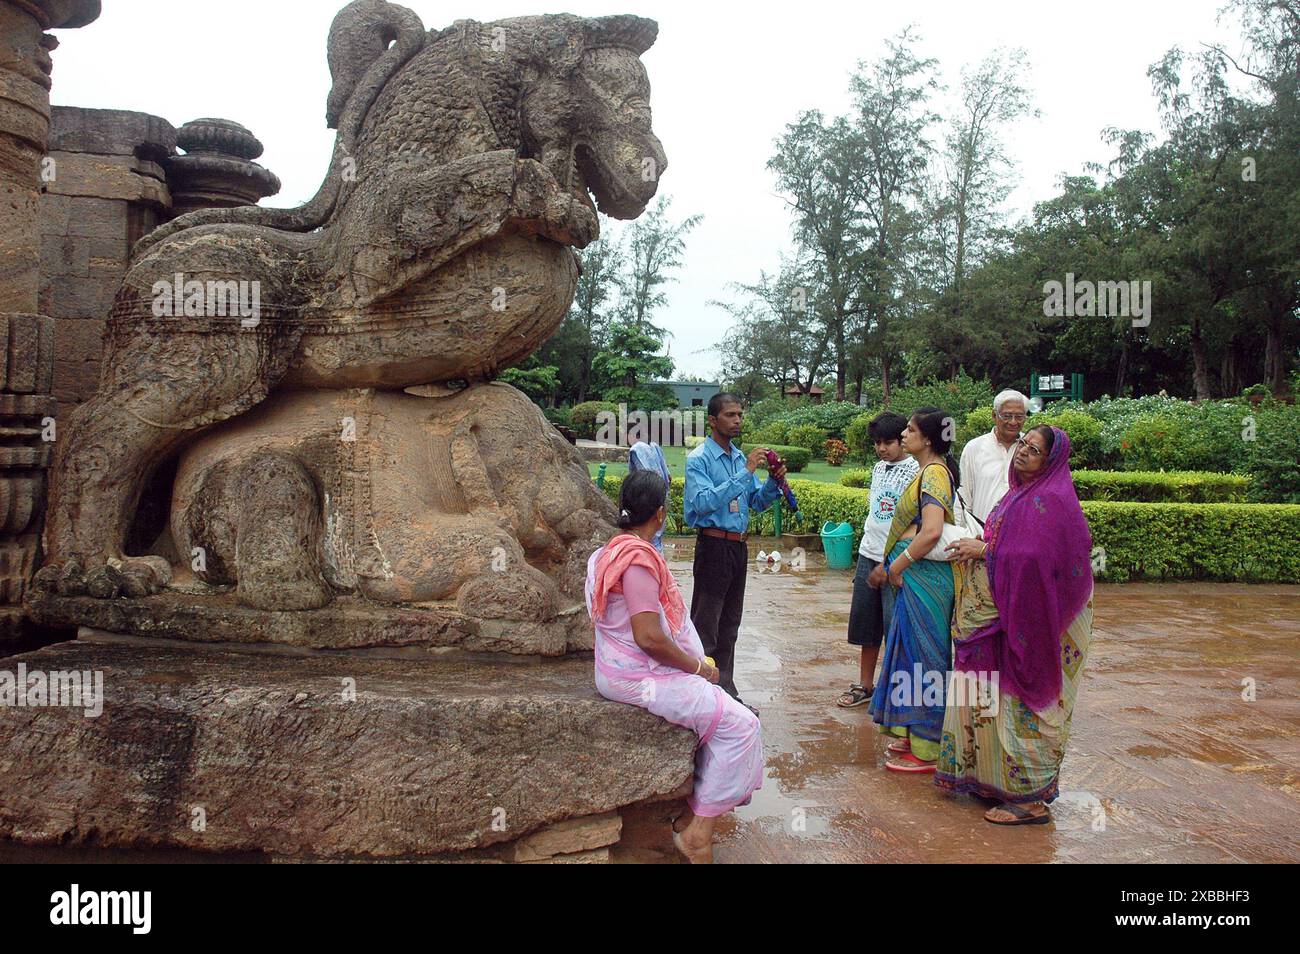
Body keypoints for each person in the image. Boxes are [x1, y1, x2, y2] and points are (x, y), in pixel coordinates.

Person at [586, 469, 763, 863]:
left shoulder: (606, 552)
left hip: (619, 670)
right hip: (638, 675)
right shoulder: (636, 561)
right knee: (742, 727)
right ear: (661, 514)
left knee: (722, 715)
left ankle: (690, 813)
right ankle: (697, 833)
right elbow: (649, 637)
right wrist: (699, 668)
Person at [938, 425, 1095, 825]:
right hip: (997, 616)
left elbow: (1035, 561)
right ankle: (991, 781)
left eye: (1034, 450)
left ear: (1052, 460)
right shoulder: (1019, 494)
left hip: (1034, 624)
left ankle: (1029, 800)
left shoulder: (1053, 500)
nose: (1023, 451)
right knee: (989, 696)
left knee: (1025, 704)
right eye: (1022, 444)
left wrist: (984, 550)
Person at [867, 407, 960, 773]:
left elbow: (932, 531)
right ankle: (912, 732)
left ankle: (929, 747)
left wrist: (896, 565)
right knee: (907, 652)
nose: (904, 435)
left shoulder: (935, 474)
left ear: (928, 438)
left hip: (926, 579)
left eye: (910, 430)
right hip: (915, 577)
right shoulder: (925, 471)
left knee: (926, 658)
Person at [683, 392, 785, 711]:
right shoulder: (699, 459)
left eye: (740, 414)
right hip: (713, 546)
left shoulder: (739, 458)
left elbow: (755, 502)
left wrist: (774, 481)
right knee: (706, 624)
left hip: (737, 548)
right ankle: (699, 694)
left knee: (730, 624)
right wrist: (746, 473)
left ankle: (725, 692)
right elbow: (699, 504)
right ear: (713, 421)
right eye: (730, 415)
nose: (737, 420)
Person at [837, 412, 918, 708]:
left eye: (888, 442)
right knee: (866, 627)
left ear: (903, 441)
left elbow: (915, 522)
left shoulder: (915, 470)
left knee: (895, 629)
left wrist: (892, 562)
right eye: (877, 443)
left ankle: (895, 692)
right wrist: (868, 557)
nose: (882, 448)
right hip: (868, 554)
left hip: (895, 561)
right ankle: (865, 685)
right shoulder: (878, 468)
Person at [959, 389, 1028, 526]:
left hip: (1020, 533)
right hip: (980, 533)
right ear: (994, 415)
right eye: (1007, 416)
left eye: (1019, 416)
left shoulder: (1030, 449)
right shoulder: (974, 448)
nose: (1013, 422)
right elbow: (964, 497)